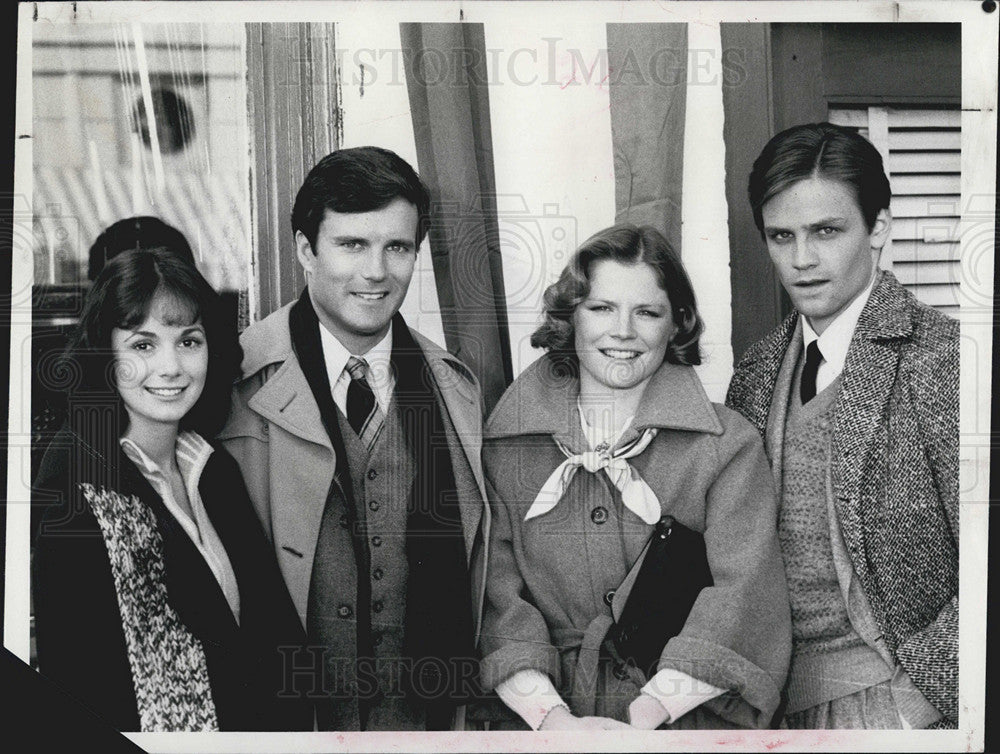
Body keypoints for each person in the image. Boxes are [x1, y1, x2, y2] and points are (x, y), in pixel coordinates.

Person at [218, 146, 490, 731]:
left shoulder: (457, 393)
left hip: (425, 729)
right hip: (289, 726)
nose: (376, 272)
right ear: (305, 250)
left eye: (397, 247)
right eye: (352, 245)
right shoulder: (229, 387)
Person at [479, 224, 791, 730]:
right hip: (539, 726)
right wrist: (555, 722)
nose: (622, 331)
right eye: (601, 308)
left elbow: (745, 594)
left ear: (676, 325)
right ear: (570, 318)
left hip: (680, 723)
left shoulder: (727, 446)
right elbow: (497, 604)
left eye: (647, 312)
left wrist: (641, 720)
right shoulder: (503, 448)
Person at [726, 122, 958, 729]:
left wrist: (917, 704)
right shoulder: (755, 372)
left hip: (894, 704)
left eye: (827, 231)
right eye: (782, 237)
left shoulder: (944, 359)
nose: (802, 260)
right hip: (770, 709)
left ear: (878, 226)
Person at [32, 248, 313, 732]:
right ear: (106, 353)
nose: (171, 367)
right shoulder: (77, 478)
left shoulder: (212, 467)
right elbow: (77, 678)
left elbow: (269, 638)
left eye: (189, 341)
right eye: (143, 345)